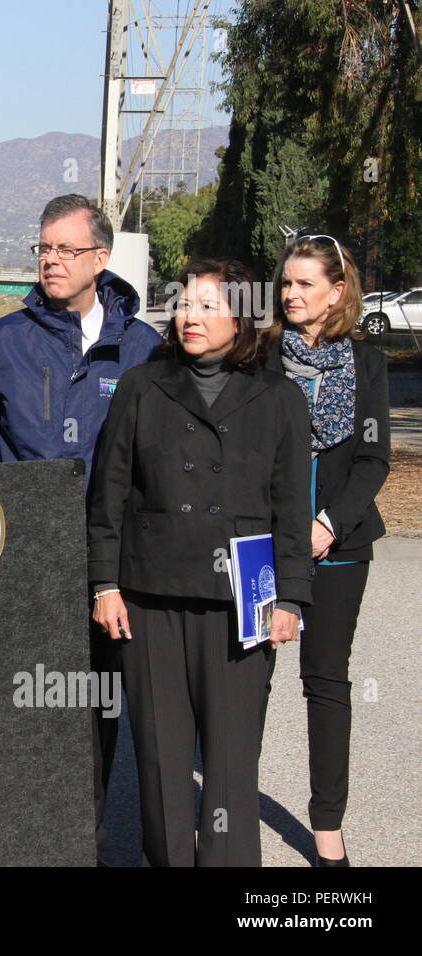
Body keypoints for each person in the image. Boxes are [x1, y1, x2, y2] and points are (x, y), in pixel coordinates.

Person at [0, 193, 162, 858]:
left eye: (66, 250)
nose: (50, 261)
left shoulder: (145, 350)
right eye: (43, 248)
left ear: (100, 259)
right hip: (18, 567)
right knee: (20, 712)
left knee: (97, 712)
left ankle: (85, 841)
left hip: (109, 570)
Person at [88, 256, 314, 866]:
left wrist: (291, 597)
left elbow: (292, 507)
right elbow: (108, 494)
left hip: (244, 600)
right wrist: (104, 583)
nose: (189, 314)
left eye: (207, 305)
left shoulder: (279, 396)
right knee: (161, 760)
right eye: (184, 302)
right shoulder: (142, 385)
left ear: (244, 317)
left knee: (231, 759)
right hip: (148, 596)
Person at [266, 235, 390, 867]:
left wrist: (329, 523)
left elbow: (373, 459)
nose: (290, 294)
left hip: (339, 547)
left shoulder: (366, 365)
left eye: (305, 284)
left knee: (326, 682)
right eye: (285, 283)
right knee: (245, 682)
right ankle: (223, 813)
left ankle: (327, 827)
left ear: (337, 291)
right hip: (263, 546)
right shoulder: (261, 356)